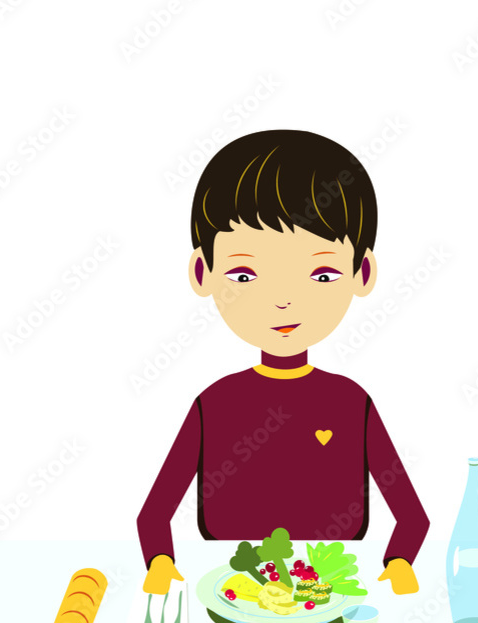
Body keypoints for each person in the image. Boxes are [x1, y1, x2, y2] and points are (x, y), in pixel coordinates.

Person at [138, 129, 429, 595]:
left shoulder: (353, 403)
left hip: (334, 591)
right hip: (231, 590)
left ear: (363, 272)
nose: (283, 302)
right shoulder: (213, 404)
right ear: (202, 272)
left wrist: (398, 563)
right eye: (244, 274)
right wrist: (160, 563)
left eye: (322, 274)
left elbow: (412, 516)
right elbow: (154, 514)